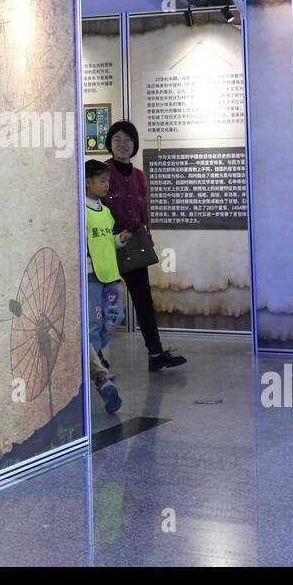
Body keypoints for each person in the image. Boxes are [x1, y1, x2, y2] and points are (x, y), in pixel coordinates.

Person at [104, 121, 187, 372]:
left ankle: (155, 353)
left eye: (128, 140)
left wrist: (146, 238)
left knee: (143, 300)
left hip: (133, 246)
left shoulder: (139, 175)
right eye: (117, 139)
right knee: (99, 303)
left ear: (135, 145)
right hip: (106, 245)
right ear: (110, 142)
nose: (122, 144)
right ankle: (97, 360)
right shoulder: (102, 171)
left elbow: (143, 210)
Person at [85, 160, 126, 414]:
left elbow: (106, 242)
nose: (106, 185)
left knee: (113, 316)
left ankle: (97, 358)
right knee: (91, 324)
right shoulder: (81, 210)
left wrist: (119, 240)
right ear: (87, 182)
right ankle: (99, 370)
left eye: (107, 181)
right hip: (91, 275)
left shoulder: (106, 211)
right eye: (101, 180)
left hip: (109, 274)